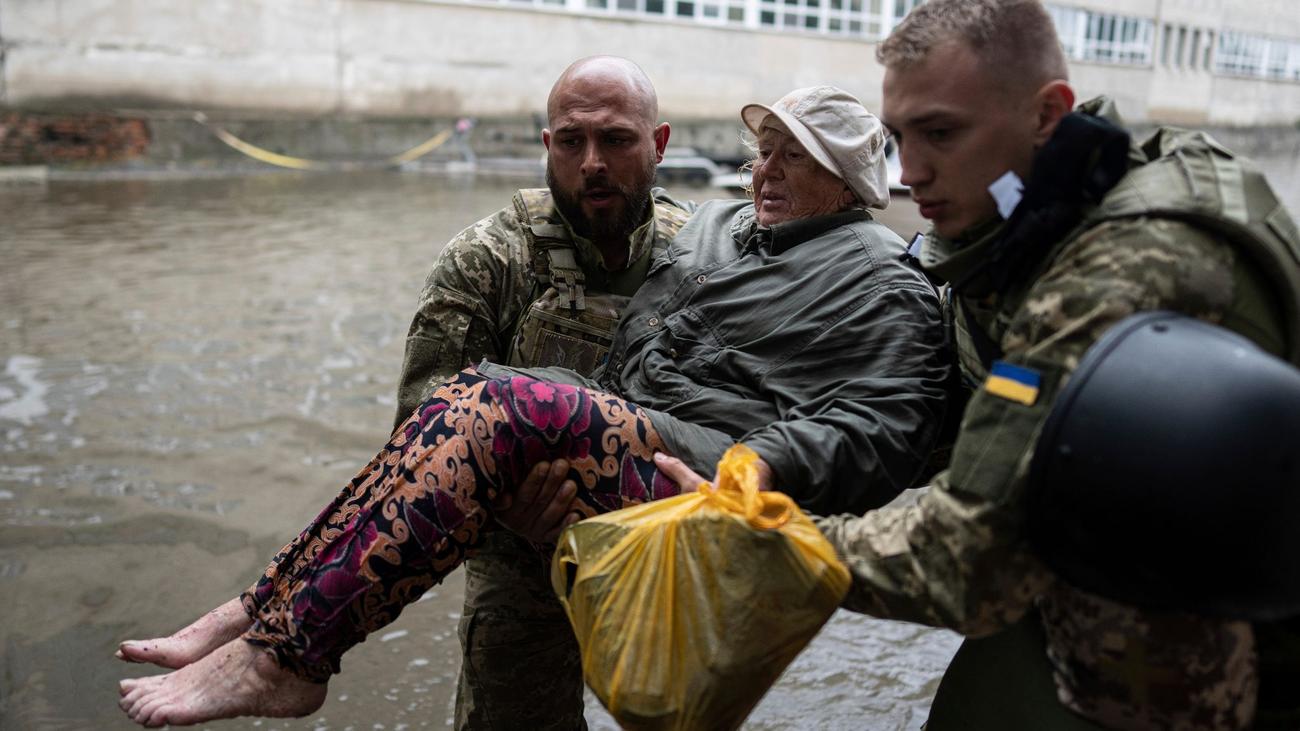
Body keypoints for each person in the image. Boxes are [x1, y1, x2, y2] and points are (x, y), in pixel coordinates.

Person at [116, 85, 952, 728]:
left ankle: (289, 656)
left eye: (790, 159)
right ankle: (263, 611)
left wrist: (756, 463)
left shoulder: (880, 278)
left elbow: (888, 431)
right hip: (584, 475)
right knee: (472, 393)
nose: (763, 172)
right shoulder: (715, 230)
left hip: (700, 486)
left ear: (845, 183)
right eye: (761, 152)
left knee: (502, 406)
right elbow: (421, 418)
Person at [658, 1, 1300, 728]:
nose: (910, 171)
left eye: (941, 133)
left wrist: (754, 538)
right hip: (1084, 555)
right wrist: (769, 448)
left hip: (1207, 633)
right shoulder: (1018, 221)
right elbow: (958, 424)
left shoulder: (1121, 272)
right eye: (899, 136)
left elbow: (970, 558)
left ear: (1047, 114)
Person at [116, 54, 691, 731]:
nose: (591, 160)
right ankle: (266, 620)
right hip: (522, 558)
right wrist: (516, 510)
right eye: (571, 141)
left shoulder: (703, 262)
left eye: (616, 139)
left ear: (657, 145)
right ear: (547, 146)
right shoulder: (489, 260)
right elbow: (420, 443)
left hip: (655, 541)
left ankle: (265, 627)